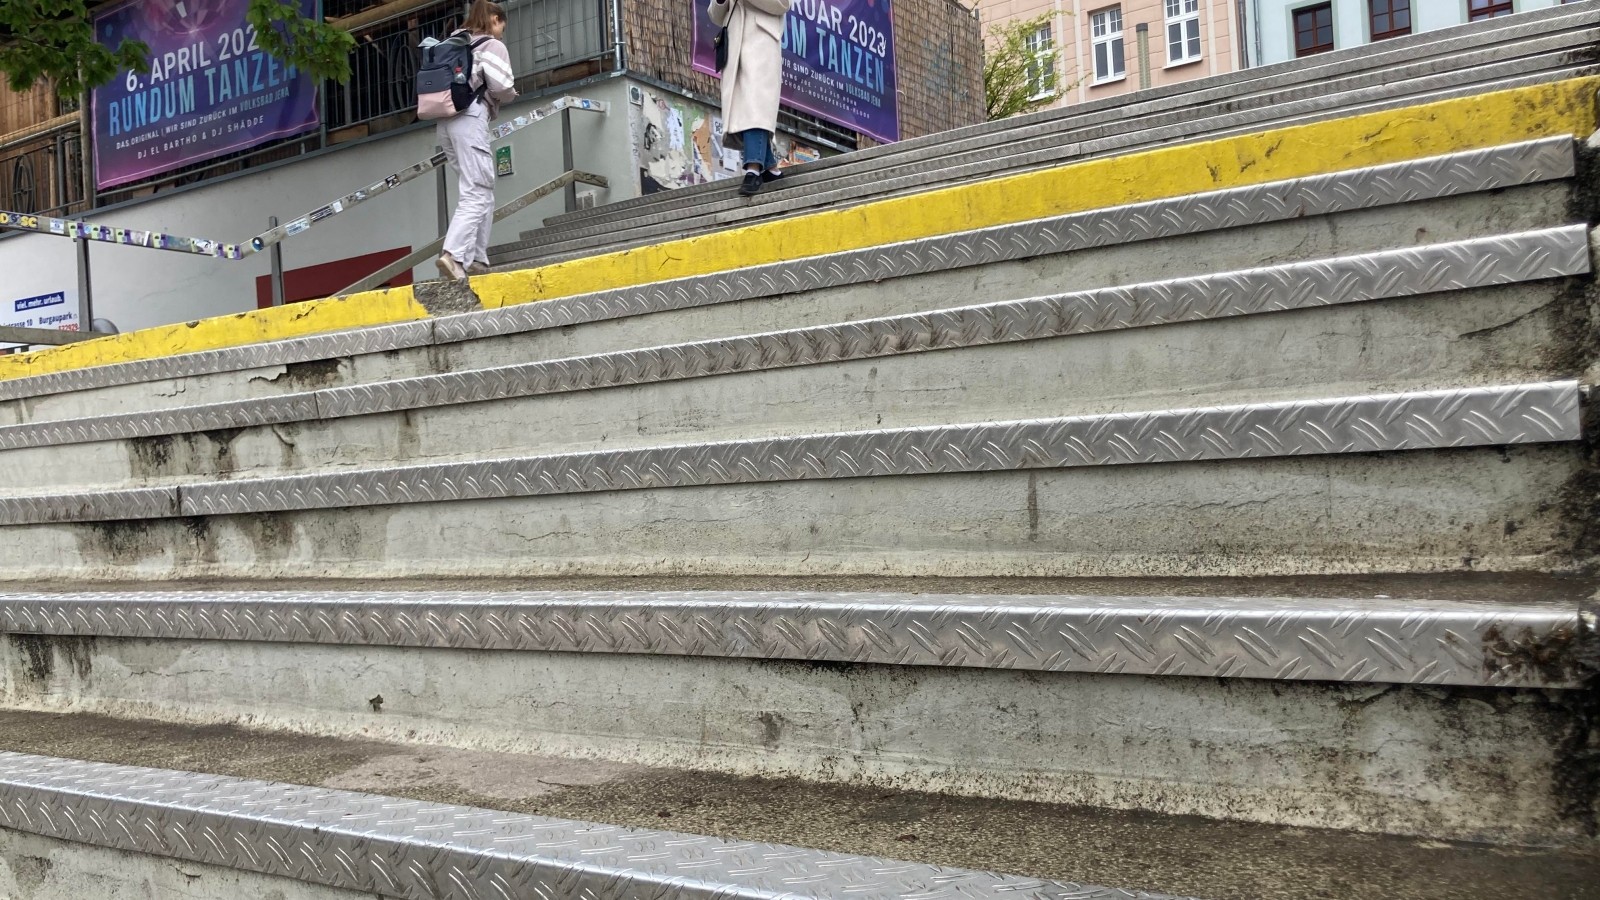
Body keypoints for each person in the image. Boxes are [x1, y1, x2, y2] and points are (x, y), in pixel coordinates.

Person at [436, 0, 518, 281]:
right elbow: (502, 87)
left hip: (444, 121)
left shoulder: (453, 42)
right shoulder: (491, 45)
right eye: (502, 26)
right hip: (470, 118)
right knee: (477, 188)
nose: (501, 32)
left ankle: (477, 258)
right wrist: (511, 95)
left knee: (481, 189)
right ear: (494, 19)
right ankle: (454, 256)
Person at [707, 0, 793, 196]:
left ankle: (753, 169)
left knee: (756, 107)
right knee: (742, 109)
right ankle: (771, 169)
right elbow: (715, 15)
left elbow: (782, 4)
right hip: (734, 48)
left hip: (761, 42)